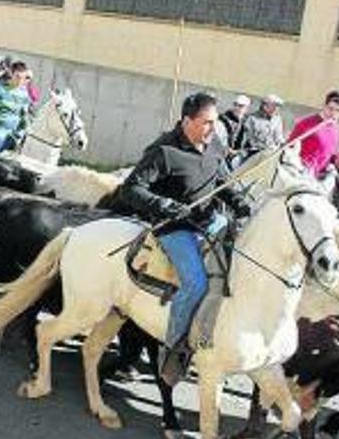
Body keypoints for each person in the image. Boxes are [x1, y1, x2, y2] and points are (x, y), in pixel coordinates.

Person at [119, 92, 252, 386]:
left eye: (214, 122)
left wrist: (239, 201)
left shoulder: (215, 144)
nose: (212, 129)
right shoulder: (163, 151)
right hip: (174, 227)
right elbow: (130, 190)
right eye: (206, 123)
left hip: (210, 221)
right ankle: (173, 347)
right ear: (187, 121)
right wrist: (164, 205)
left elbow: (221, 182)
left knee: (236, 270)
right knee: (196, 284)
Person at [287, 90, 339, 194]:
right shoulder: (306, 124)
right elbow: (289, 148)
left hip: (320, 178)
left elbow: (330, 150)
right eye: (330, 109)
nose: (333, 113)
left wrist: (337, 157)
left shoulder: (336, 127)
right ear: (324, 106)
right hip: (300, 176)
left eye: (338, 111)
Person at [241, 94, 285, 159]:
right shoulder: (252, 119)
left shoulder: (277, 119)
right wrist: (263, 147)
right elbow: (249, 139)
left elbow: (278, 137)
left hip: (272, 151)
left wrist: (283, 143)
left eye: (278, 106)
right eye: (274, 106)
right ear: (265, 106)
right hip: (255, 152)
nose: (276, 109)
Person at [217, 94, 251, 168]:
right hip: (223, 155)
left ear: (246, 109)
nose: (237, 108)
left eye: (241, 106)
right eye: (235, 104)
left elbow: (250, 144)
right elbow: (217, 139)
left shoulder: (248, 123)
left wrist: (239, 152)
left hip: (239, 157)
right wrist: (227, 150)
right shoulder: (222, 119)